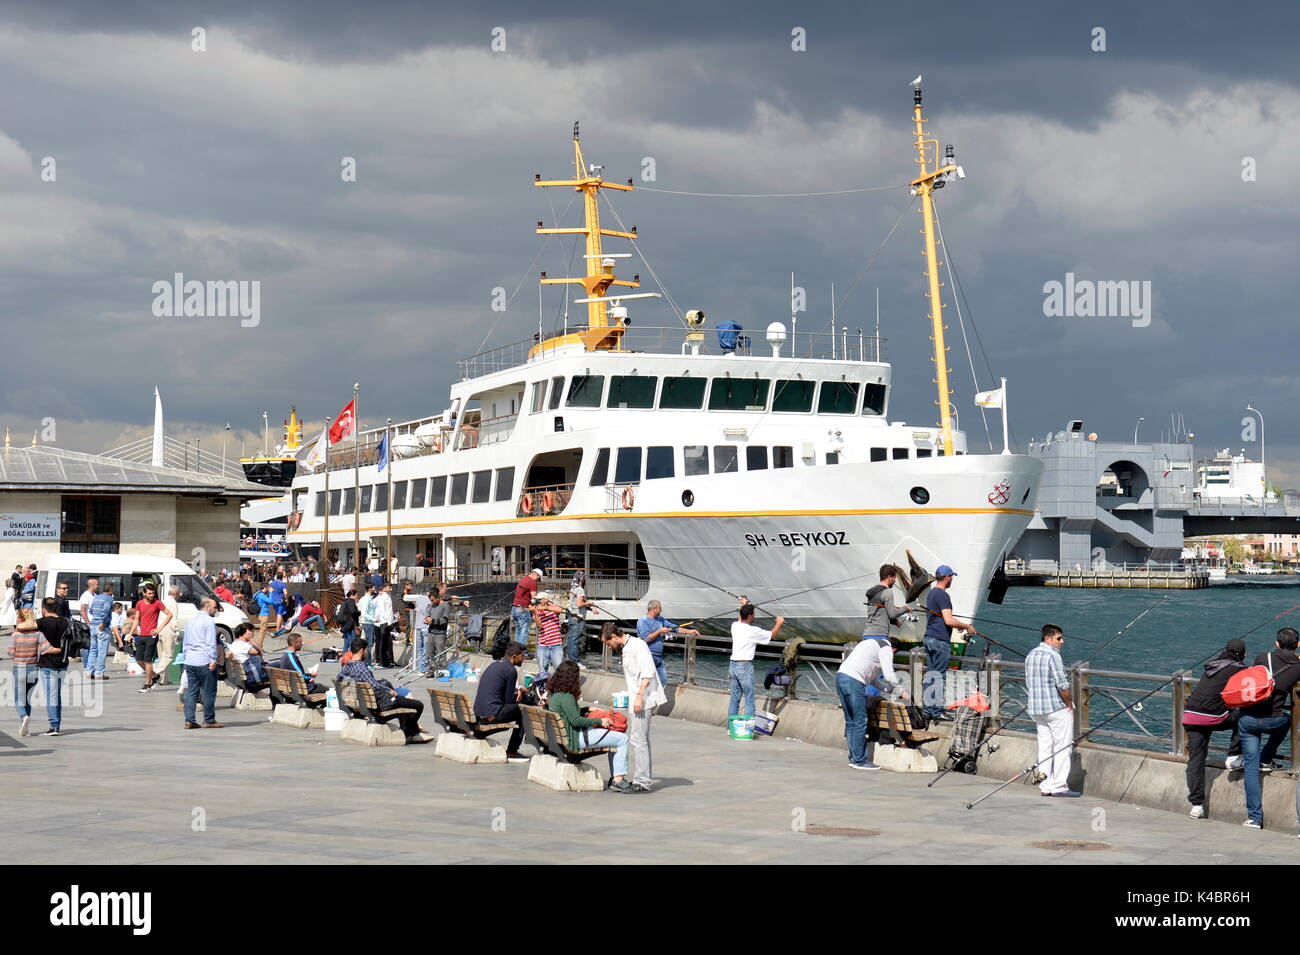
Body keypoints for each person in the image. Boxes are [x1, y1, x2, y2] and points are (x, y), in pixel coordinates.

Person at [1238, 627, 1300, 830]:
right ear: (1297, 645)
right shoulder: (1298, 666)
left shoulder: (1262, 657)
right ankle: (1267, 758)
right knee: (1287, 720)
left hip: (1249, 719)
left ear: (1277, 643)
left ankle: (1255, 818)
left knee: (1250, 767)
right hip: (1274, 719)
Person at [1182, 638, 1246, 819]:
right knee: (1245, 716)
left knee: (1196, 759)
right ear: (1242, 655)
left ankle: (1196, 806)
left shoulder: (1212, 666)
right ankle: (1234, 755)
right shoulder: (1239, 669)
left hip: (1191, 715)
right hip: (1213, 717)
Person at [547, 660, 632, 792]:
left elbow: (567, 714)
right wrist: (599, 721)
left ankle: (616, 777)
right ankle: (618, 780)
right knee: (621, 739)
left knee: (614, 738)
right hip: (575, 739)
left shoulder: (554, 694)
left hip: (562, 738)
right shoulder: (567, 696)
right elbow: (575, 721)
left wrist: (586, 709)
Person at [600, 622, 664, 793]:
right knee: (639, 737)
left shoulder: (638, 645)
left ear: (613, 637)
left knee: (638, 739)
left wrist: (639, 697)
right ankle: (642, 778)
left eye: (608, 643)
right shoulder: (628, 647)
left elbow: (647, 672)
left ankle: (642, 781)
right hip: (638, 698)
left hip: (643, 699)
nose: (609, 646)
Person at [836, 635, 907, 770]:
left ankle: (854, 758)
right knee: (860, 720)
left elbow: (876, 682)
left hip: (841, 677)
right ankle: (860, 761)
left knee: (851, 721)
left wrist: (895, 691)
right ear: (894, 650)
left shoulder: (869, 645)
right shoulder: (885, 647)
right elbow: (889, 676)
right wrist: (902, 689)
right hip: (854, 681)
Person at [338, 638, 428, 741]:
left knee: (398, 695)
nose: (367, 653)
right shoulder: (361, 667)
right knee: (418, 705)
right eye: (366, 650)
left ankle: (413, 731)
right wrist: (388, 690)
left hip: (363, 702)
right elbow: (374, 685)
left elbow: (339, 679)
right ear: (361, 650)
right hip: (382, 704)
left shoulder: (347, 666)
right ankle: (410, 732)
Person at [1025, 624, 1078, 797]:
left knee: (1045, 747)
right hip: (1055, 709)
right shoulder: (1052, 655)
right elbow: (1062, 684)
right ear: (1048, 639)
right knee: (1063, 747)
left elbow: (1029, 682)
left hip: (1036, 709)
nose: (1062, 641)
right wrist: (1069, 703)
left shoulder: (1031, 655)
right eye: (1059, 638)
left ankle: (1045, 785)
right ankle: (1059, 787)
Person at [921, 565, 976, 721]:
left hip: (929, 637)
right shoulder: (943, 595)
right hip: (940, 640)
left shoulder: (931, 593)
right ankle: (937, 711)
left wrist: (956, 626)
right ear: (946, 577)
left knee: (931, 675)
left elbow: (941, 619)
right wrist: (967, 626)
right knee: (939, 677)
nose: (952, 579)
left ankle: (928, 710)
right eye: (951, 576)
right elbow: (948, 619)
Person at [473, 641, 531, 762]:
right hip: (493, 714)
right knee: (525, 711)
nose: (523, 659)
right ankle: (512, 751)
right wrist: (522, 696)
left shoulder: (495, 665)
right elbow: (509, 700)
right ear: (514, 656)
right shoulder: (511, 670)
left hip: (480, 712)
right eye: (522, 656)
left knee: (522, 703)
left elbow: (501, 690)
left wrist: (518, 690)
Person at [728, 604, 784, 718]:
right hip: (744, 665)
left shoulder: (735, 626)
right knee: (749, 699)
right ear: (749, 616)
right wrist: (779, 622)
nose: (754, 616)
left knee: (734, 698)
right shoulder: (753, 631)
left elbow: (740, 619)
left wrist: (744, 605)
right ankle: (747, 728)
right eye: (753, 614)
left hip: (733, 665)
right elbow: (772, 635)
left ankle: (731, 727)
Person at [181, 598, 224, 729]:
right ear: (207, 607)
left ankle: (189, 720)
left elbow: (185, 642)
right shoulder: (209, 622)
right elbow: (210, 642)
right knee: (209, 691)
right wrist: (213, 659)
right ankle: (209, 719)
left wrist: (186, 657)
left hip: (191, 660)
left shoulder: (191, 621)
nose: (216, 610)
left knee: (192, 691)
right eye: (214, 607)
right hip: (204, 660)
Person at [637, 599, 699, 688]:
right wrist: (660, 631)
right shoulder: (643, 621)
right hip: (648, 656)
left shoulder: (660, 619)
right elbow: (647, 638)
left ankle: (655, 700)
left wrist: (689, 631)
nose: (661, 610)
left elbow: (675, 628)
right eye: (659, 608)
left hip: (659, 657)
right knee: (646, 682)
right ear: (654, 609)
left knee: (663, 680)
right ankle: (644, 700)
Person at [34, 597, 73, 736]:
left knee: (51, 695)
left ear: (44, 610)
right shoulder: (66, 622)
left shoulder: (40, 623)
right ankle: (57, 724)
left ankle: (54, 726)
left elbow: (21, 626)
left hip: (47, 663)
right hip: (62, 663)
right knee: (57, 694)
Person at [11, 608, 51, 737]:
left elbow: (11, 653)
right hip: (34, 668)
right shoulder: (38, 634)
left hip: (19, 668)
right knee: (27, 699)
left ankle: (24, 717)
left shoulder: (16, 635)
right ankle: (25, 726)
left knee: (18, 699)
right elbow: (46, 649)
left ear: (20, 619)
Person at [133, 584, 173, 693]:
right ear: (144, 593)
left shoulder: (157, 603)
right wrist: (130, 633)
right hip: (142, 634)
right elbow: (136, 619)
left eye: (153, 593)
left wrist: (158, 628)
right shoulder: (140, 604)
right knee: (139, 661)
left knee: (147, 661)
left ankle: (148, 683)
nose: (151, 595)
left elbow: (170, 614)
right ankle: (154, 676)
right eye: (149, 593)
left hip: (152, 635)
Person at [863, 564, 910, 637]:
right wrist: (905, 608)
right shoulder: (887, 592)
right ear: (889, 577)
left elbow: (880, 612)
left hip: (868, 633)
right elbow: (892, 614)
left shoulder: (874, 591)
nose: (895, 581)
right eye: (894, 578)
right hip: (879, 634)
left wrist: (894, 622)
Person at [83, 584, 116, 681]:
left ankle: (89, 671)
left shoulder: (97, 597)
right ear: (110, 590)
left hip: (93, 625)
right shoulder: (109, 598)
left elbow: (92, 610)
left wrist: (97, 618)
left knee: (93, 649)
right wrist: (103, 621)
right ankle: (99, 673)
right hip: (102, 626)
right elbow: (105, 610)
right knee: (102, 650)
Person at [532, 594, 566, 676]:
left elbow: (560, 610)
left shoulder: (552, 606)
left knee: (559, 670)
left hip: (556, 644)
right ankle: (543, 687)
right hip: (542, 645)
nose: (538, 601)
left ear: (545, 599)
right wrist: (535, 613)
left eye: (539, 599)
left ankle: (558, 687)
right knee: (542, 671)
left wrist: (546, 608)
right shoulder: (536, 609)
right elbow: (540, 626)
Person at [156, 585, 181, 685]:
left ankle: (163, 679)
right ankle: (156, 673)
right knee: (168, 655)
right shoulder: (173, 603)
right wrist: (176, 630)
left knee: (161, 655)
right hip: (167, 629)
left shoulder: (163, 601)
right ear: (176, 593)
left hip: (158, 629)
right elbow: (173, 617)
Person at [566, 572, 592, 665]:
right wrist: (589, 603)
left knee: (571, 639)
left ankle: (570, 659)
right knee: (575, 641)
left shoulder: (573, 588)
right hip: (578, 619)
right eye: (584, 578)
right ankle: (575, 661)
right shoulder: (580, 589)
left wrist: (590, 609)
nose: (585, 580)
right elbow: (579, 604)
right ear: (581, 579)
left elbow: (575, 603)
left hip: (572, 617)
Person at [512, 569, 542, 646]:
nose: (537, 580)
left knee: (518, 630)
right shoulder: (532, 582)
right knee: (524, 632)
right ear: (537, 575)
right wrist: (536, 609)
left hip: (515, 608)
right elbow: (534, 599)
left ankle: (516, 651)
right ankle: (522, 653)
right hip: (523, 609)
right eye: (538, 578)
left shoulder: (523, 579)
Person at [372, 582, 396, 668]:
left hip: (388, 622)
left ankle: (387, 660)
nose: (391, 589)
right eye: (389, 587)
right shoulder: (382, 597)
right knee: (384, 642)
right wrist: (387, 621)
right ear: (384, 587)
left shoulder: (387, 596)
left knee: (386, 642)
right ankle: (383, 661)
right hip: (384, 622)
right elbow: (383, 610)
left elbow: (390, 610)